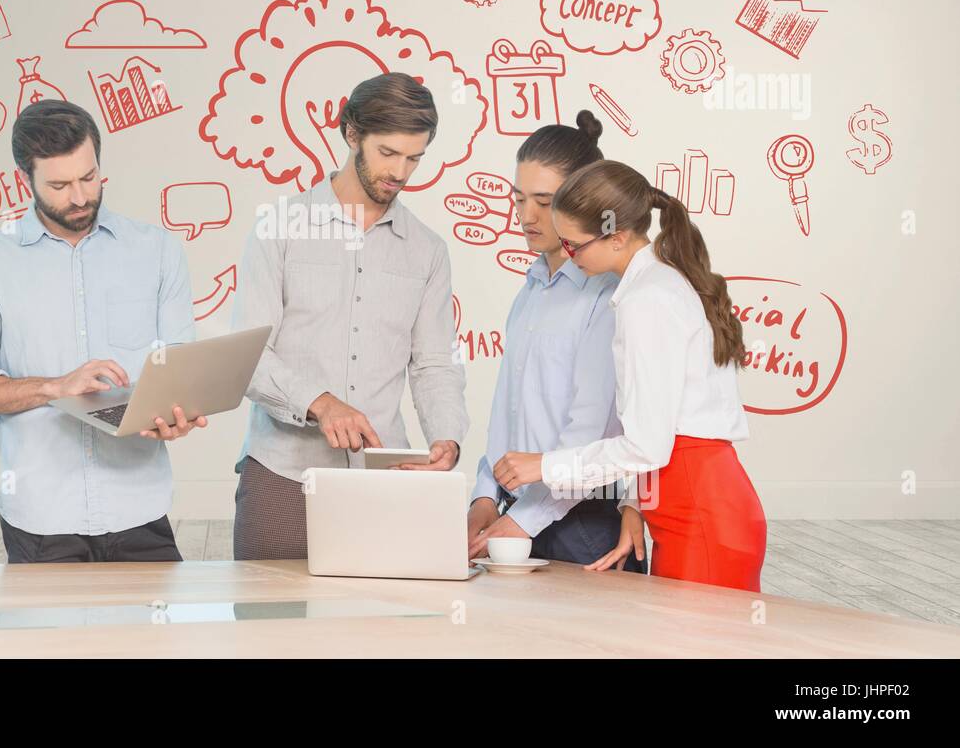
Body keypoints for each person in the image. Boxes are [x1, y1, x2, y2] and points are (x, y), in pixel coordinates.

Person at [0, 100, 205, 564]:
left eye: (89, 177)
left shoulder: (157, 250)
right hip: (41, 520)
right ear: (26, 180)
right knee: (48, 640)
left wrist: (175, 413)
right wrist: (55, 387)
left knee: (161, 639)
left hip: (141, 508)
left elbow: (179, 364)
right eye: (59, 185)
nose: (80, 197)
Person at [493, 160, 766, 590]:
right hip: (698, 505)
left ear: (617, 237)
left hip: (700, 512)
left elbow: (645, 445)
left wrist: (543, 467)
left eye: (574, 244)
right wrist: (635, 504)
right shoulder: (660, 283)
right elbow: (667, 421)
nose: (566, 253)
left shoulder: (646, 300)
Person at [230, 72, 469, 561]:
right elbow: (248, 354)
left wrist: (448, 437)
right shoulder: (280, 229)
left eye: (414, 158)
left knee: (384, 633)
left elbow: (433, 364)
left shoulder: (427, 251)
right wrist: (319, 402)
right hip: (283, 475)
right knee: (271, 630)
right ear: (352, 134)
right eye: (388, 153)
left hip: (386, 482)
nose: (400, 172)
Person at [467, 112, 645, 573]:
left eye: (543, 202)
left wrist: (522, 522)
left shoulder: (608, 295)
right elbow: (508, 410)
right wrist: (485, 497)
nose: (525, 216)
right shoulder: (530, 289)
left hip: (582, 528)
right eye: (518, 198)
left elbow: (592, 431)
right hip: (519, 519)